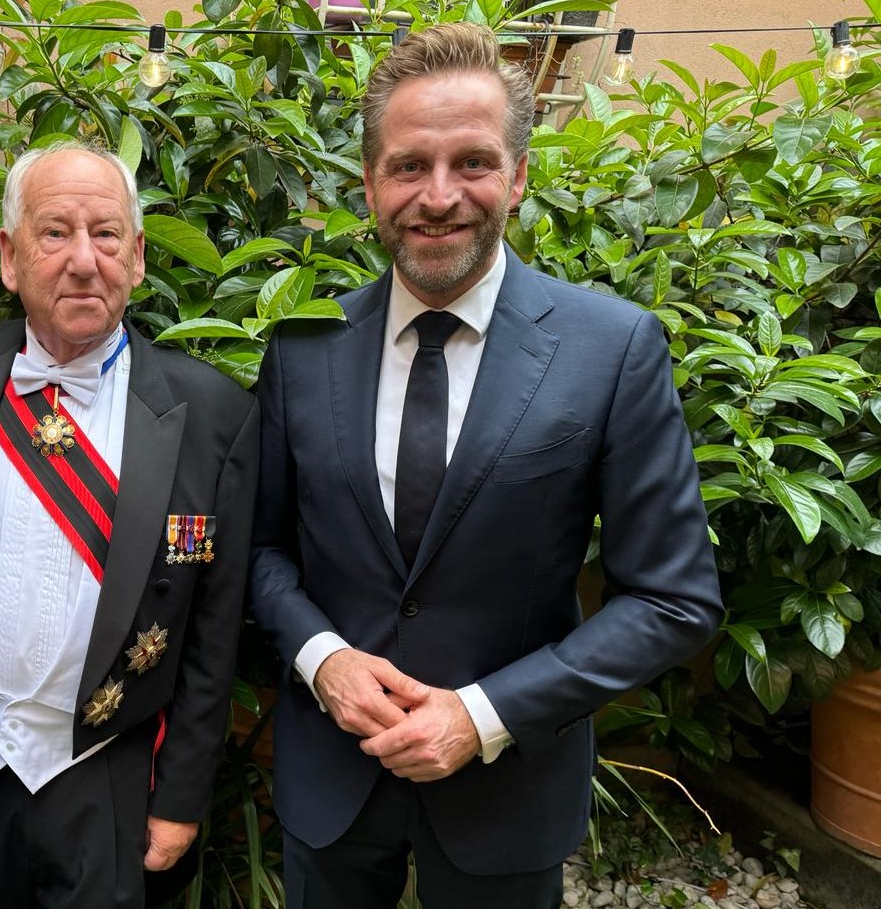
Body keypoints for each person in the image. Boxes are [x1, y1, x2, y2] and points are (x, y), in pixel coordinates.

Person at [248, 23, 723, 909]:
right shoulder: (303, 347)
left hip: (511, 787)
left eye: (471, 162)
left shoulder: (611, 349)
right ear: (369, 185)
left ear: (517, 177)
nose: (438, 196)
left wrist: (484, 714)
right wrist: (323, 659)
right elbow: (261, 549)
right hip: (332, 781)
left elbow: (673, 598)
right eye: (407, 166)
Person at [0, 141, 259, 909]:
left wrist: (181, 797)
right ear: (9, 255)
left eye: (105, 235)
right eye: (54, 232)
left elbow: (212, 632)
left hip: (104, 772)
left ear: (137, 258)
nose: (82, 260)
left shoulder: (214, 416)